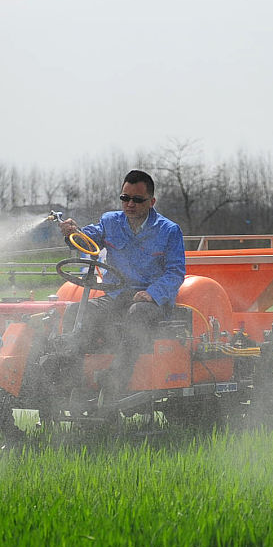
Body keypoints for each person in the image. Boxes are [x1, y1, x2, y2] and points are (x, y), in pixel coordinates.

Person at [57, 169, 186, 398]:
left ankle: (117, 377)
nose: (130, 204)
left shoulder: (169, 231)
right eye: (125, 198)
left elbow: (175, 273)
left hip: (151, 303)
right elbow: (86, 240)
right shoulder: (110, 222)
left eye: (137, 199)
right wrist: (71, 233)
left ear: (151, 201)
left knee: (137, 314)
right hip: (117, 296)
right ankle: (71, 375)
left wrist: (152, 294)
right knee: (78, 311)